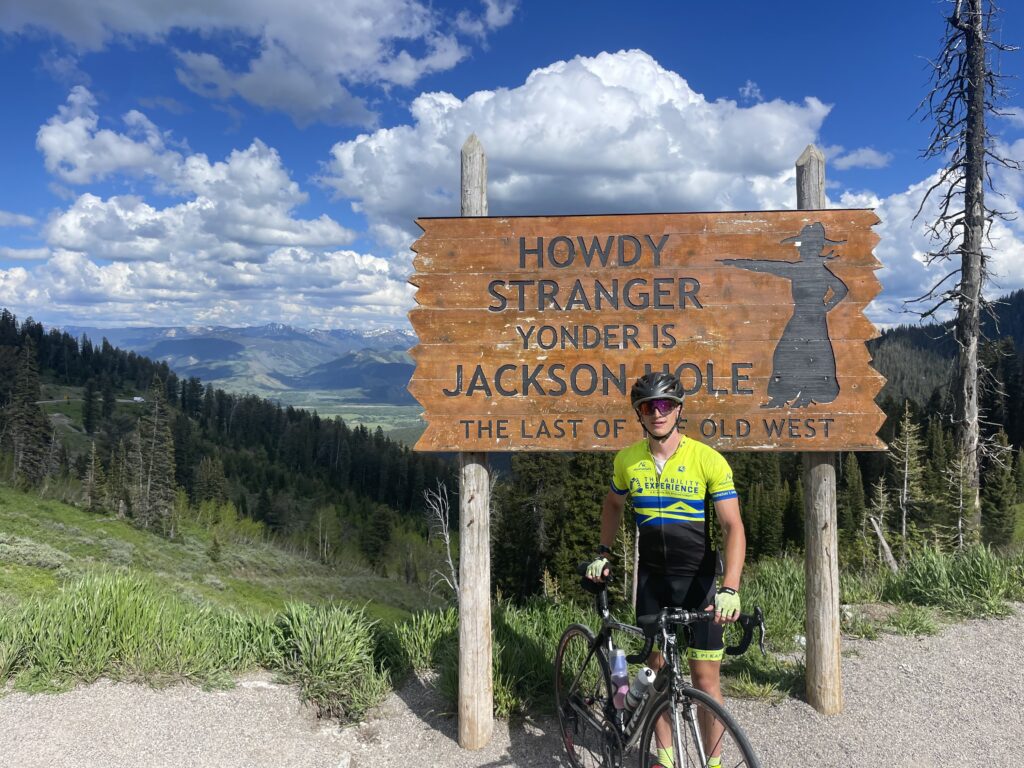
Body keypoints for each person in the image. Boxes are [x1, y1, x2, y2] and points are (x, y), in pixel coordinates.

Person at [586, 370, 746, 768]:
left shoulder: (706, 459)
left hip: (700, 583)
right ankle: (666, 756)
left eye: (665, 405)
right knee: (655, 672)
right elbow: (612, 505)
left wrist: (730, 587)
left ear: (678, 410)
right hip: (653, 582)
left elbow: (733, 527)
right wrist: (604, 551)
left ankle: (715, 763)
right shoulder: (628, 461)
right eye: (647, 406)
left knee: (706, 681)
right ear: (639, 414)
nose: (657, 413)